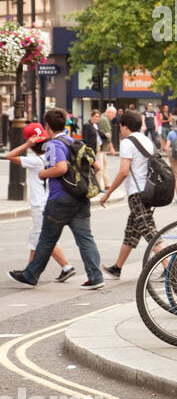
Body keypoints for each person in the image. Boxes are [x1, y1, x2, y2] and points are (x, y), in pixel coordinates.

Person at [9, 108, 105, 290]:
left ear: (48, 126)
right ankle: (95, 276)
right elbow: (96, 166)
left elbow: (60, 168)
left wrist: (44, 174)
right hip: (81, 198)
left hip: (60, 198)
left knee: (46, 239)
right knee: (85, 239)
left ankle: (30, 275)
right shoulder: (75, 142)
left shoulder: (54, 144)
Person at [4, 122, 75, 282]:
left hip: (39, 204)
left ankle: (66, 266)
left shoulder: (35, 161)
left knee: (44, 238)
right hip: (48, 201)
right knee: (35, 238)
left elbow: (9, 156)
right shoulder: (51, 156)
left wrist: (26, 144)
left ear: (33, 143)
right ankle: (29, 272)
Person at [99, 109, 159, 279]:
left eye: (121, 126)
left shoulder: (127, 142)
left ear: (125, 126)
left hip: (137, 193)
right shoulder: (146, 140)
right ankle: (117, 268)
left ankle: (169, 267)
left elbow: (124, 171)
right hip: (148, 191)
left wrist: (108, 193)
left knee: (149, 231)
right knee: (132, 232)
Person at [83, 109, 103, 182]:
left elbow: (99, 135)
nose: (97, 118)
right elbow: (85, 139)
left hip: (98, 148)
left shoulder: (97, 126)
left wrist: (105, 135)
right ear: (92, 116)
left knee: (99, 168)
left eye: (98, 117)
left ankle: (97, 184)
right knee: (94, 167)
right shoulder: (87, 125)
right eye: (96, 116)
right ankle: (91, 181)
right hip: (91, 149)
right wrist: (87, 151)